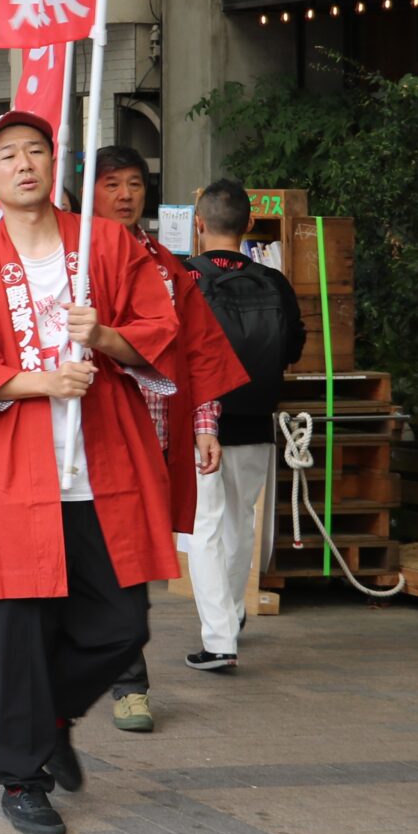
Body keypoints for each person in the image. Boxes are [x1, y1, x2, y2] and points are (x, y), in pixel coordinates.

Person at [0, 111, 181, 834]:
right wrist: (45, 383)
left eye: (35, 150)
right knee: (21, 637)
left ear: (54, 162)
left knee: (121, 628)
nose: (23, 164)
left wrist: (103, 337)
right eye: (6, 155)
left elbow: (160, 332)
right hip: (18, 471)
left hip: (104, 472)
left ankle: (52, 715)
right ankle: (22, 779)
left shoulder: (104, 244)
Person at [91, 146, 244, 732]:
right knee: (86, 564)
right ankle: (90, 669)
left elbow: (197, 353)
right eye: (112, 184)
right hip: (79, 444)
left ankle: (129, 682)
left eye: (135, 183)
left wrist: (204, 426)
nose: (126, 194)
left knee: (130, 561)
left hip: (151, 438)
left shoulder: (165, 266)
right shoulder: (63, 261)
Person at [183, 179, 305, 673]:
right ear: (249, 226)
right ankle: (231, 617)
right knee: (240, 523)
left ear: (198, 225)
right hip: (257, 417)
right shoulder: (274, 281)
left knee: (204, 527)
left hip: (201, 420)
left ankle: (219, 640)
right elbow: (293, 346)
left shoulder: (184, 278)